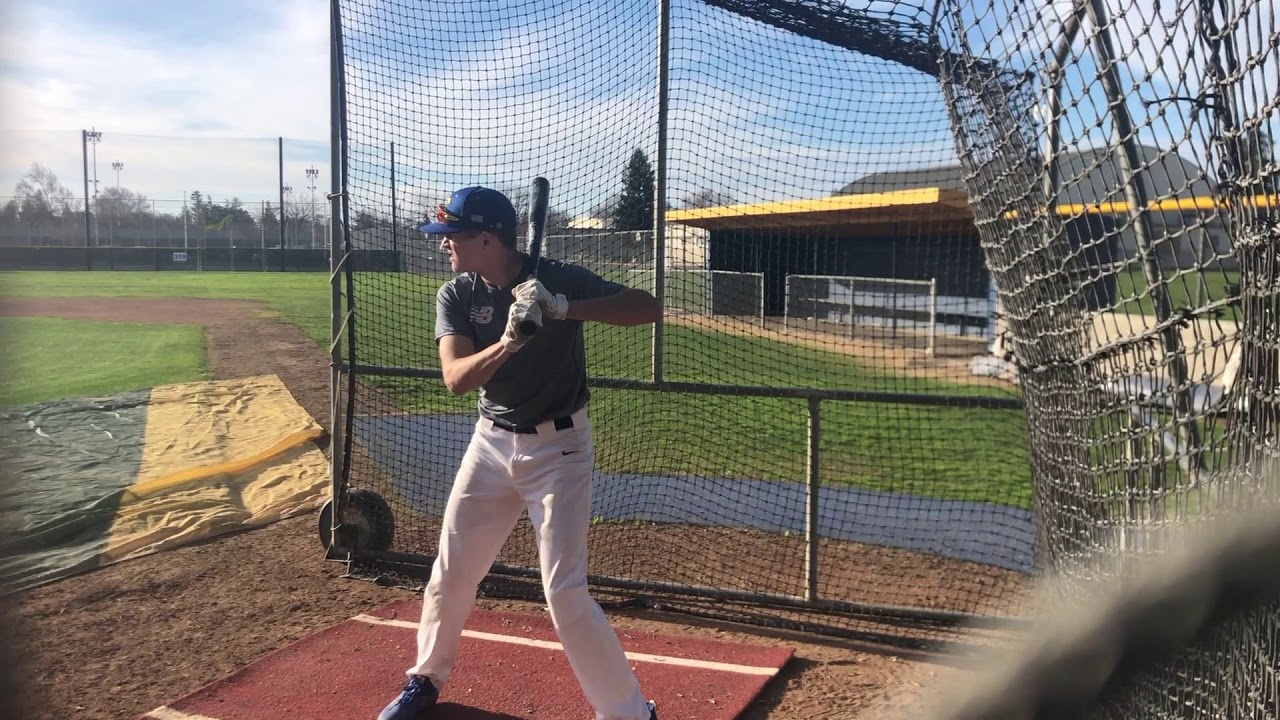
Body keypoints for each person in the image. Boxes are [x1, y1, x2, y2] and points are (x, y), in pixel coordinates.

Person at [378, 186, 662, 720]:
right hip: (490, 445)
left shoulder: (558, 278)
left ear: (487, 238)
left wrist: (563, 307)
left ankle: (630, 714)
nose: (443, 244)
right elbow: (456, 378)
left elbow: (647, 307)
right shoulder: (457, 294)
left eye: (452, 236)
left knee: (564, 594)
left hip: (560, 450)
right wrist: (510, 339)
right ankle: (425, 678)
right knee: (451, 571)